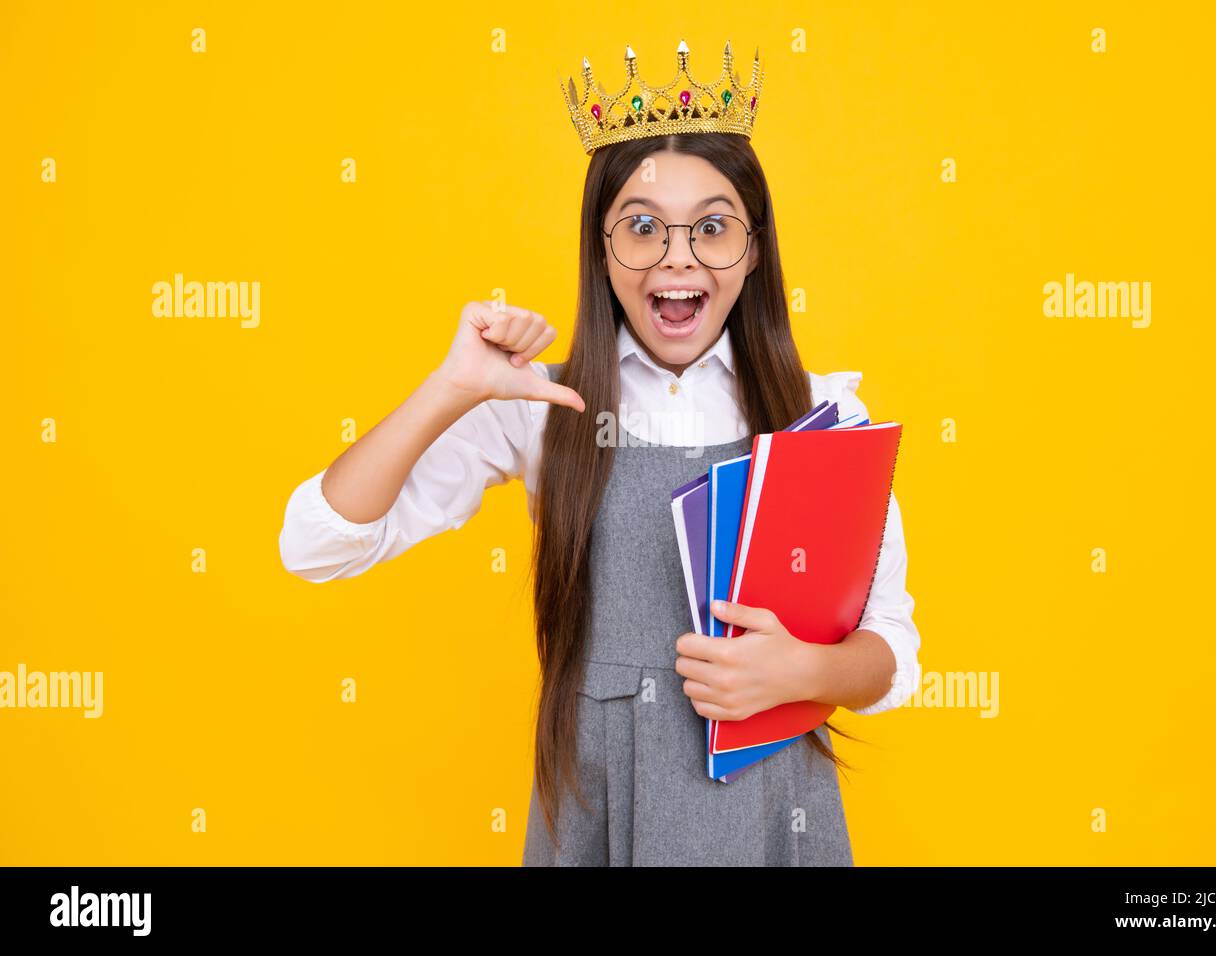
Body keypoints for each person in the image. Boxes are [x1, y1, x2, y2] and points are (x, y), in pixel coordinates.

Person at [279, 40, 921, 865]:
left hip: (772, 820)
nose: (678, 257)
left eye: (714, 228)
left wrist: (801, 673)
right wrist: (450, 388)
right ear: (601, 248)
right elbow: (314, 545)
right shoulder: (540, 407)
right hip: (599, 814)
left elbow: (890, 655)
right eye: (642, 228)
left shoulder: (822, 413)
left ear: (754, 250)